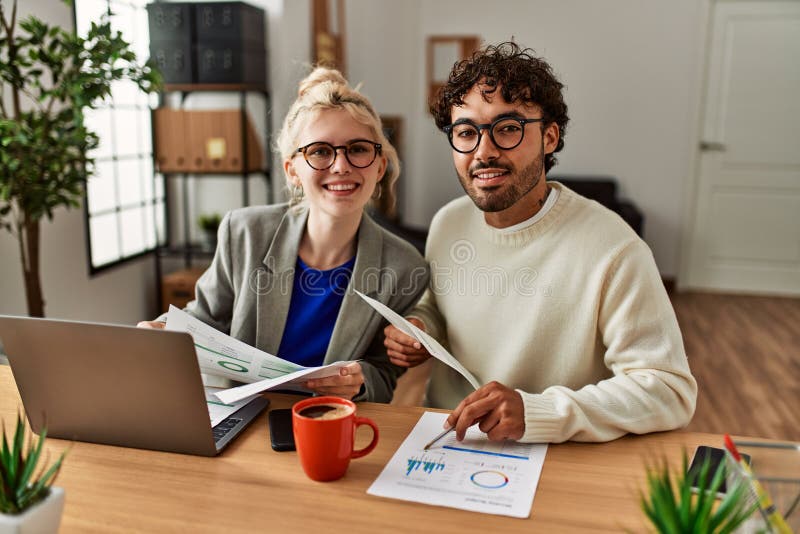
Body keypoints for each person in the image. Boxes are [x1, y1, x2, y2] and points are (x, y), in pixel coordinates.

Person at [384, 42, 697, 442]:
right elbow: (440, 305)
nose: (484, 151)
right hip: (448, 439)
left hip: (555, 455)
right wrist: (419, 327)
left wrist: (539, 411)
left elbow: (668, 390)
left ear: (550, 137)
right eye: (466, 132)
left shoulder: (614, 248)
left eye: (509, 128)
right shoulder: (448, 223)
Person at [139, 67, 429, 403]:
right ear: (292, 170)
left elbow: (386, 372)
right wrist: (162, 331)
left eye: (358, 149)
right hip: (244, 416)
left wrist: (361, 383)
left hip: (333, 423)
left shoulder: (405, 266)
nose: (340, 166)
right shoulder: (244, 233)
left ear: (379, 166)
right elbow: (204, 320)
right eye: (320, 151)